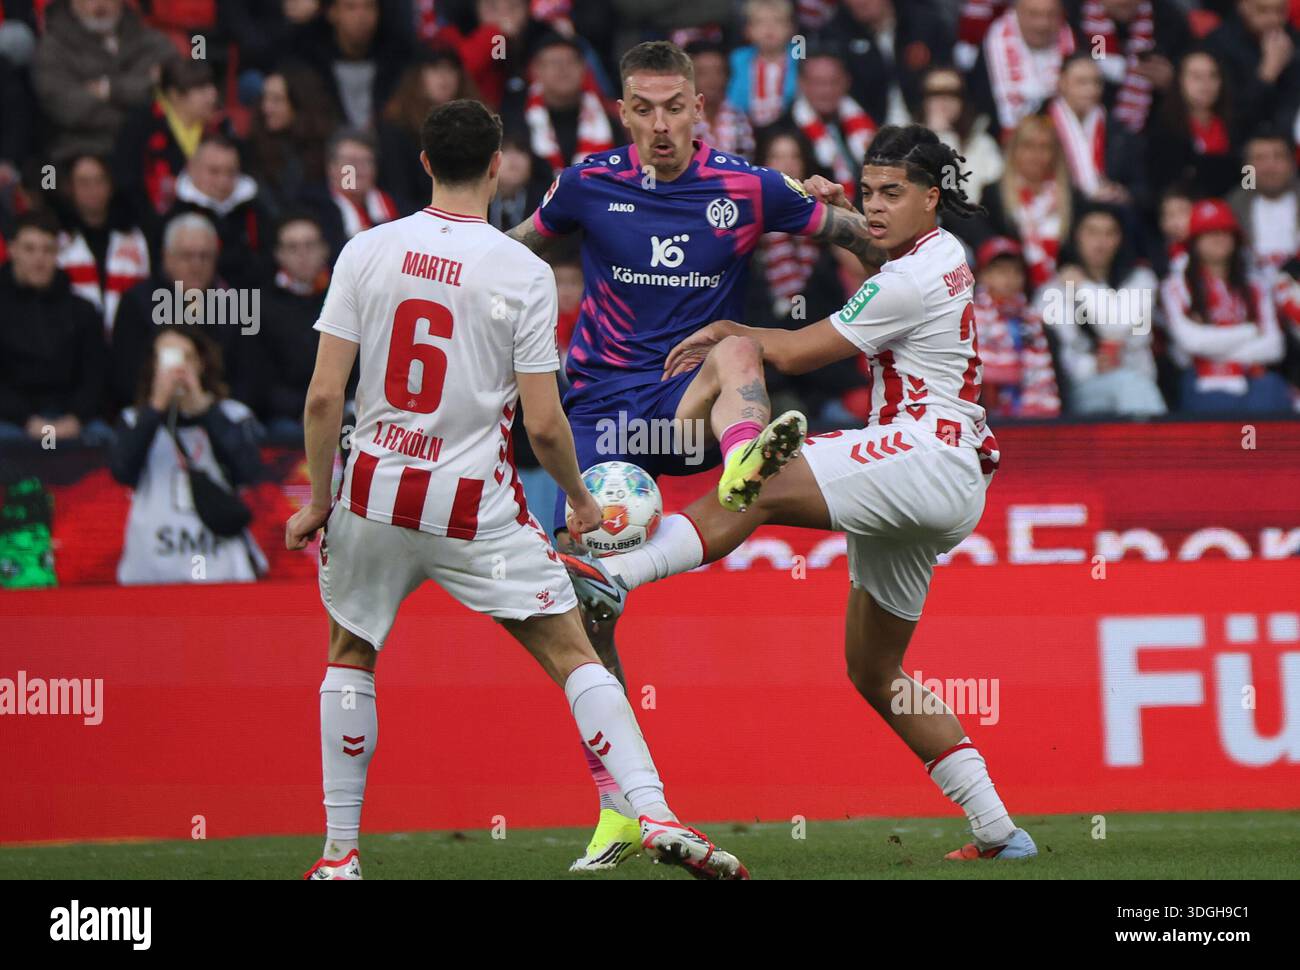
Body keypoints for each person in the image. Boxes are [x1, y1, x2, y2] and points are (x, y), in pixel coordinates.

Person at [285, 98, 749, 881]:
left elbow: (325, 397)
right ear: (498, 165)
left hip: (372, 492)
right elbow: (543, 422)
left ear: (425, 163)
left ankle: (338, 858)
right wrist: (575, 498)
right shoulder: (522, 270)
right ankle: (657, 813)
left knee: (350, 652)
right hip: (472, 505)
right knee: (574, 654)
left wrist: (318, 497)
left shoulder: (366, 249)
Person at [564, 124, 1038, 863]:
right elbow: (879, 250)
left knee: (755, 465)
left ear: (932, 197)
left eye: (891, 194)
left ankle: (613, 573)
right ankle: (1000, 832)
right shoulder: (938, 254)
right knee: (874, 671)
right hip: (942, 477)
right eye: (868, 191)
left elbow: (795, 348)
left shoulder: (910, 277)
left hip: (925, 450)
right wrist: (846, 212)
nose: (874, 207)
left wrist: (727, 327)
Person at [506, 39, 890, 870]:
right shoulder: (585, 185)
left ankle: (745, 459)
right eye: (642, 109)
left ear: (699, 109)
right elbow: (510, 252)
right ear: (622, 113)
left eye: (673, 107)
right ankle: (619, 809)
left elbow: (864, 241)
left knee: (740, 349)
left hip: (691, 411)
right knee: (587, 615)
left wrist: (919, 274)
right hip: (603, 427)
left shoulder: (749, 187)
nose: (659, 125)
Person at [110, 328, 265, 584]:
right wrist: (156, 407)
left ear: (201, 364)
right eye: (168, 358)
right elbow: (122, 471)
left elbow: (247, 471)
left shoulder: (232, 414)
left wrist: (205, 410)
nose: (177, 370)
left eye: (187, 358)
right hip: (152, 565)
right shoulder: (134, 419)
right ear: (153, 366)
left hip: (221, 563)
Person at [1160, 198, 1290, 413]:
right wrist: (1250, 331)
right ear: (1194, 241)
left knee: (1272, 391)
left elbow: (1274, 347)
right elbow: (1190, 343)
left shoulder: (1255, 284)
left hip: (1254, 378)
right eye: (1210, 233)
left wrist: (1214, 348)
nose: (1219, 239)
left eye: (1225, 232)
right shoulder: (1176, 286)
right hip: (1201, 380)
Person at [0, 211, 111, 445]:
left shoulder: (83, 311)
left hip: (73, 421)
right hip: (12, 421)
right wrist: (28, 422)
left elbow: (95, 377)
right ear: (12, 250)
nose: (39, 259)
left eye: (48, 250)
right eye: (29, 249)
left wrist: (74, 419)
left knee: (107, 440)